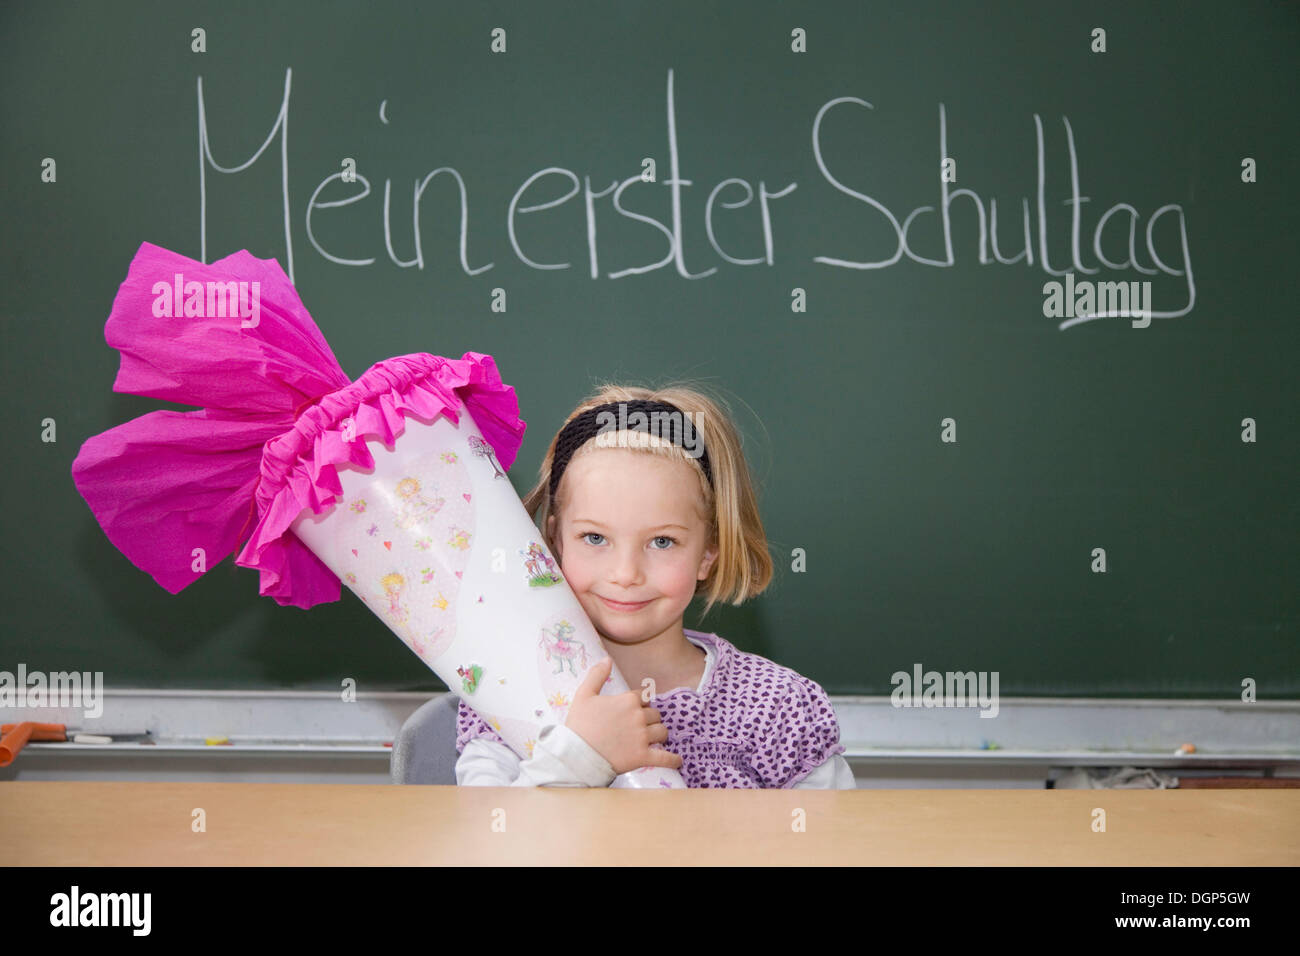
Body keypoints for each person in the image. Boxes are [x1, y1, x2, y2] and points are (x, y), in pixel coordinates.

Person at [455, 383, 856, 789]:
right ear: (557, 539)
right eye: (595, 538)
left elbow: (831, 847)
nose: (626, 573)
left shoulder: (778, 708)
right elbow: (491, 843)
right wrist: (579, 757)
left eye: (662, 542)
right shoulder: (508, 692)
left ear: (707, 554)